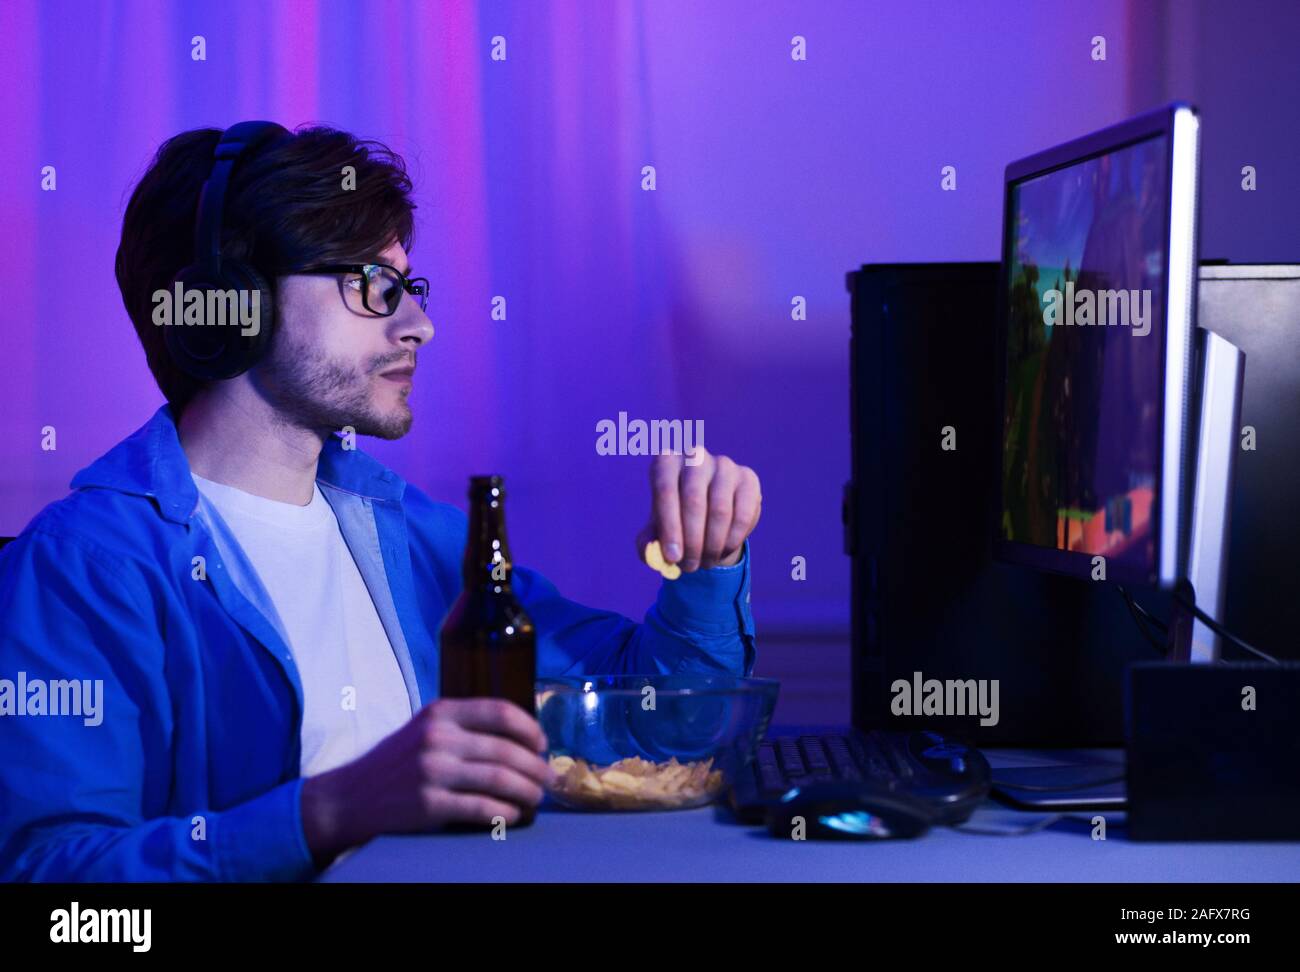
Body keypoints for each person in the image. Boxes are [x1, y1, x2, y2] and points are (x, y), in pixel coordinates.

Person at [0, 124, 761, 881]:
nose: (418, 326)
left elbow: (656, 731)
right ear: (229, 304)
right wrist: (330, 810)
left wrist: (708, 564)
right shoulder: (83, 567)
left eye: (407, 287)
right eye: (371, 285)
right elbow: (54, 885)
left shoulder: (418, 539)